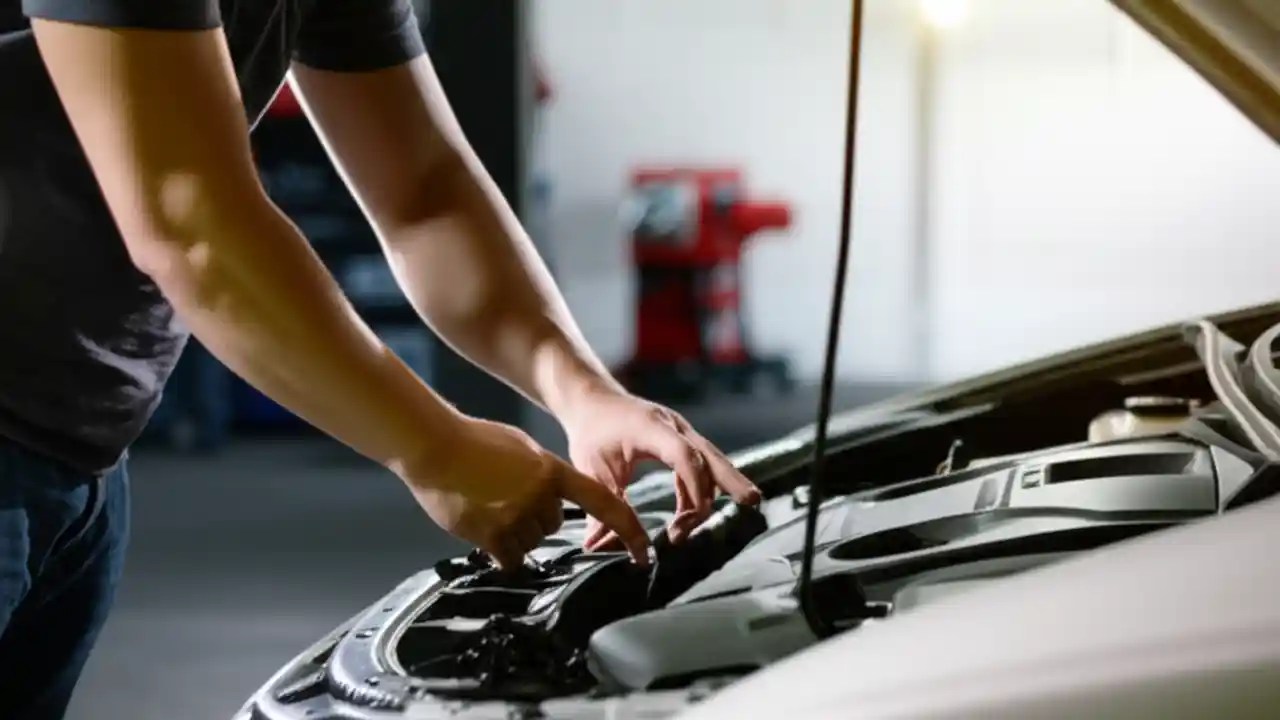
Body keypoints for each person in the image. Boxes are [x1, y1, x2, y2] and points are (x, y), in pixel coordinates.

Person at [0, 2, 760, 717]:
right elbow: (188, 220)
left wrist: (581, 389)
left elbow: (424, 194)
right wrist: (435, 448)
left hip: (77, 450)